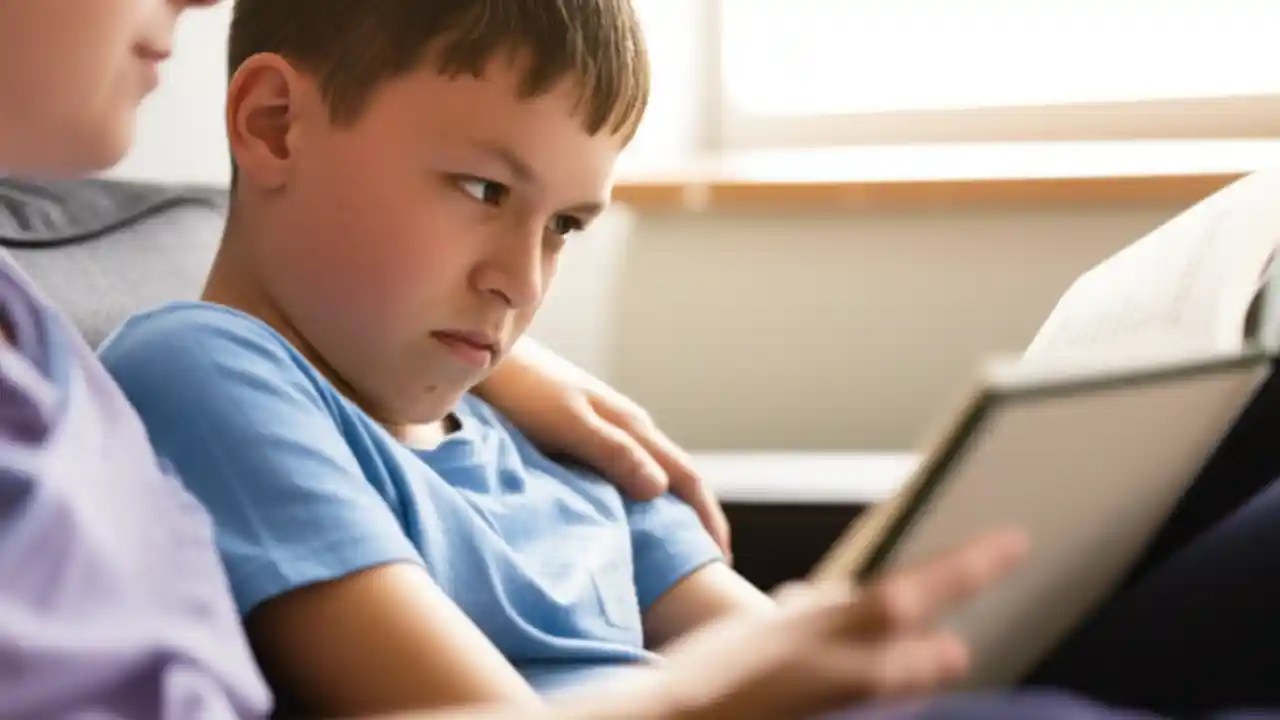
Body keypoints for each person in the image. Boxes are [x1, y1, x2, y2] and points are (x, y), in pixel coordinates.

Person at [0, 1, 1030, 718]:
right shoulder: (204, 370)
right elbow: (459, 706)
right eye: (484, 191)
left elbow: (781, 654)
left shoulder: (549, 435)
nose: (522, 282)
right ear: (274, 126)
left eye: (566, 226)